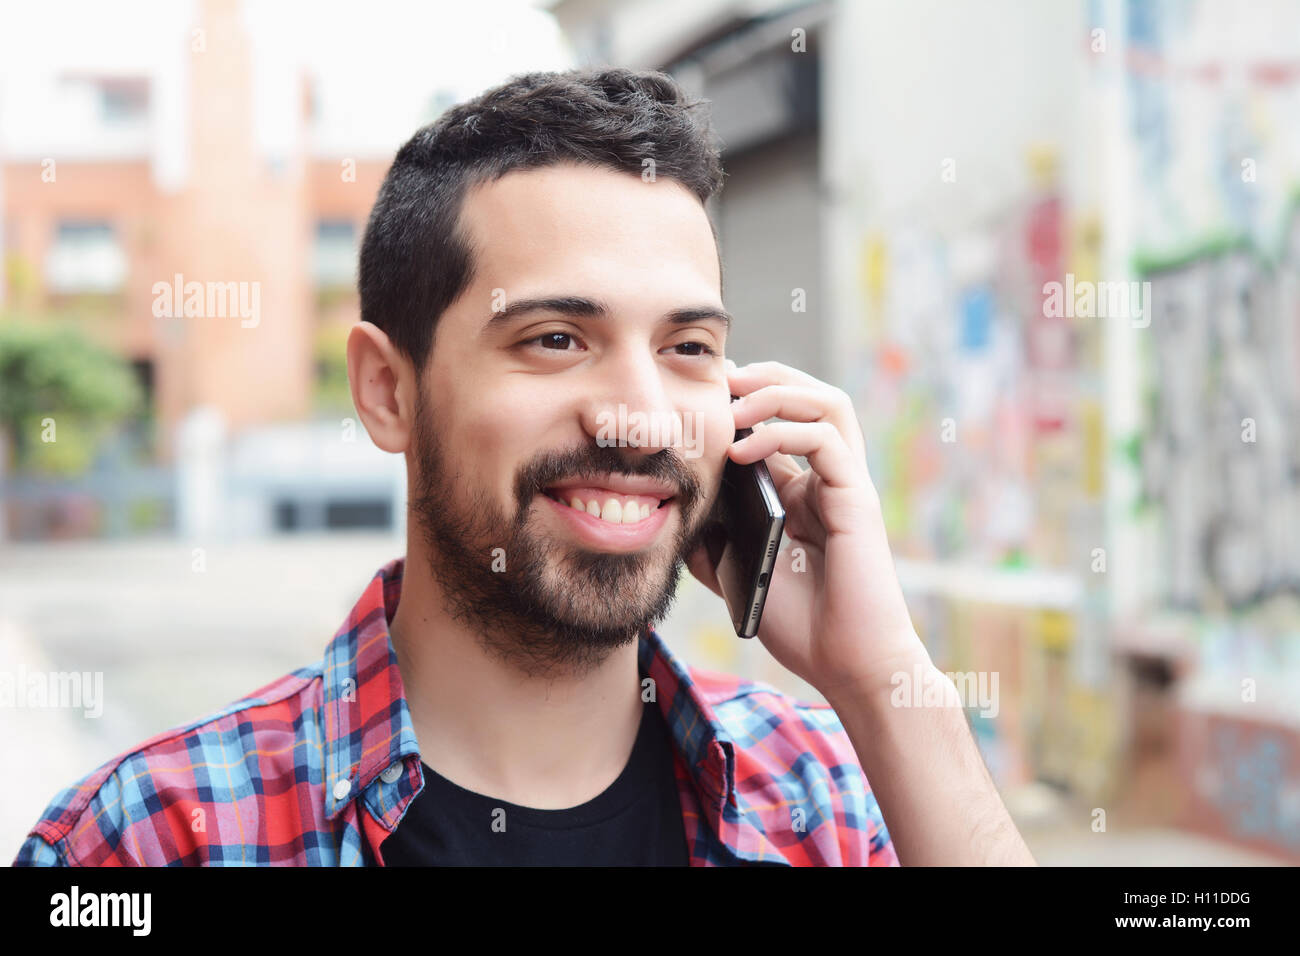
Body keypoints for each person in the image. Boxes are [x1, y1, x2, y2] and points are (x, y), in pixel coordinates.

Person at [13, 67, 1034, 866]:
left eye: (686, 347)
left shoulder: (818, 792)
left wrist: (887, 679)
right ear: (387, 390)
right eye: (554, 337)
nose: (639, 417)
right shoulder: (153, 836)